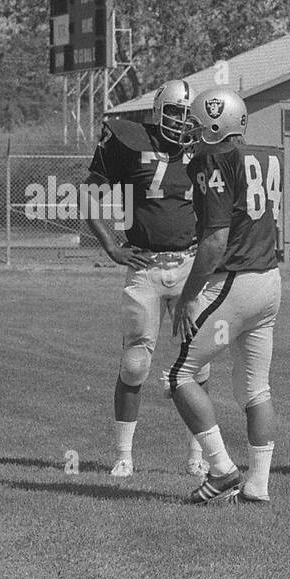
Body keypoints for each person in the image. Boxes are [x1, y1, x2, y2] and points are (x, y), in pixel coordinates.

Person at [86, 79, 210, 478]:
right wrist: (111, 246)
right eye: (174, 112)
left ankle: (200, 455)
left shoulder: (202, 151)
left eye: (187, 115)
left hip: (190, 264)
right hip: (145, 267)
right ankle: (123, 455)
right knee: (136, 363)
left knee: (199, 363)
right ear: (158, 112)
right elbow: (90, 195)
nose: (181, 121)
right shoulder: (128, 141)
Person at [170, 87, 283, 504]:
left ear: (217, 126)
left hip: (235, 279)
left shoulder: (213, 160)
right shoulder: (269, 154)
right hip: (269, 279)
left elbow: (215, 240)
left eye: (198, 127)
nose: (193, 136)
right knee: (256, 389)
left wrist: (188, 295)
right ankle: (258, 486)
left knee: (179, 375)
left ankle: (220, 470)